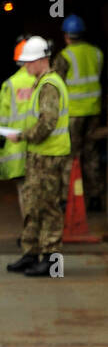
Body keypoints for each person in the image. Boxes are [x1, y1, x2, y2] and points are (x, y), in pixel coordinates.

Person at [6, 36, 72, 277]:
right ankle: (31, 254)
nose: (25, 67)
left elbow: (48, 123)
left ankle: (52, 260)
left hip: (49, 157)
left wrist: (23, 135)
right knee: (34, 206)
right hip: (40, 156)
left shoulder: (49, 86)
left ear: (41, 61)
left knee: (49, 208)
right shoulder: (42, 83)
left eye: (28, 62)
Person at [51, 15, 103, 210]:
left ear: (66, 35)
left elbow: (56, 84)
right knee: (91, 153)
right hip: (93, 110)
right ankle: (95, 197)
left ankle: (68, 197)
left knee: (70, 155)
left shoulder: (64, 56)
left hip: (73, 113)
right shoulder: (97, 53)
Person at [0, 37, 36, 261]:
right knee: (40, 195)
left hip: (16, 149)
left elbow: (1, 118)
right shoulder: (46, 82)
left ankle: (29, 238)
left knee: (25, 195)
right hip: (43, 150)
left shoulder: (10, 85)